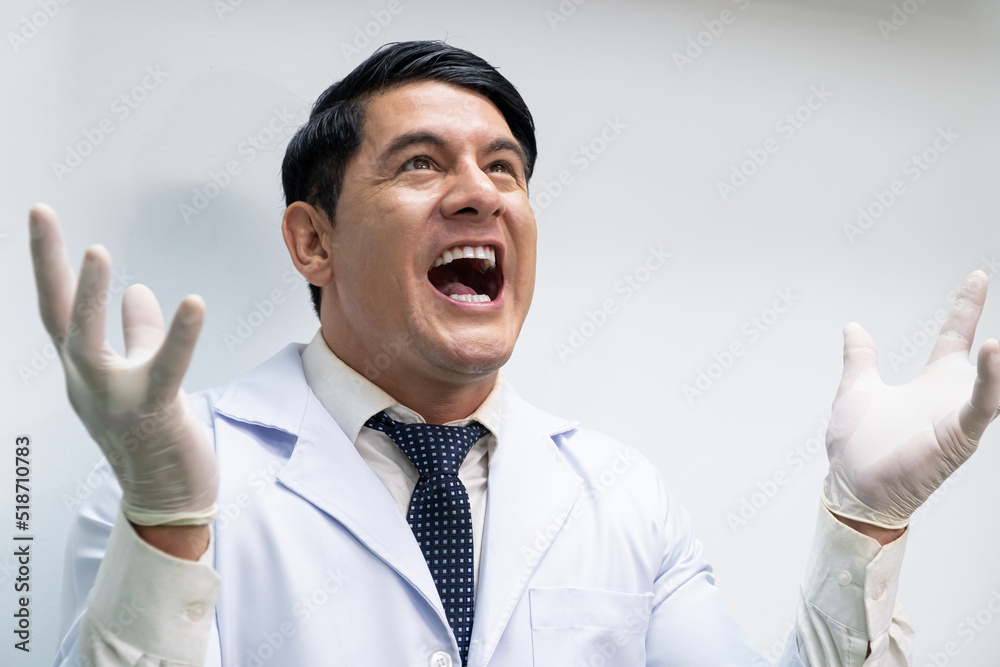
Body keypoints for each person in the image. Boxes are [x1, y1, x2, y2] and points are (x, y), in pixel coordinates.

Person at [34, 40, 998, 666]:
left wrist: (863, 527)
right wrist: (163, 525)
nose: (479, 193)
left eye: (504, 169)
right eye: (420, 163)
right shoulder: (173, 478)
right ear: (311, 241)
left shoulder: (621, 493)